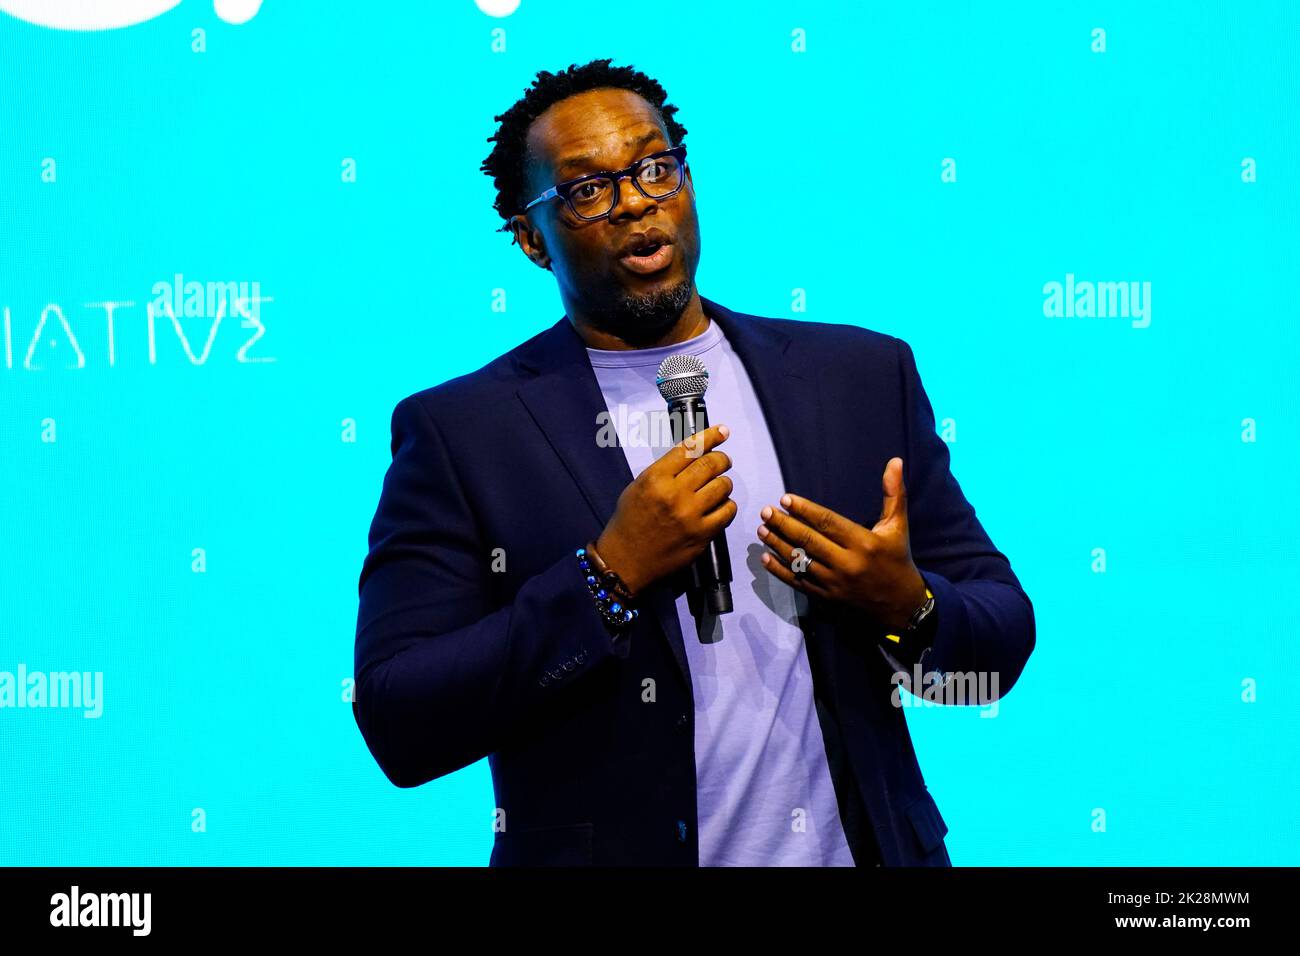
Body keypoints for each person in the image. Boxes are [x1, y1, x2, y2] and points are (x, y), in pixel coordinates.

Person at [352, 57, 1035, 867]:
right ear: (533, 237)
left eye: (654, 168)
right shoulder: (465, 432)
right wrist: (606, 577)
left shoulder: (856, 377)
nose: (636, 203)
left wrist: (908, 605)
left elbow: (996, 650)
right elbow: (400, 720)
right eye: (587, 189)